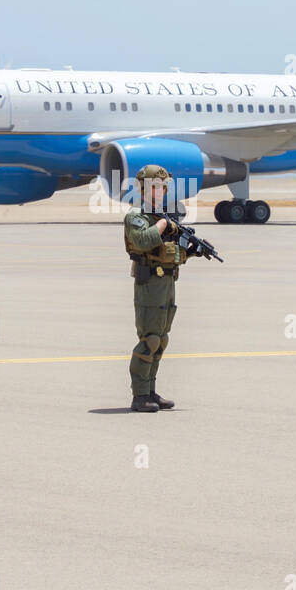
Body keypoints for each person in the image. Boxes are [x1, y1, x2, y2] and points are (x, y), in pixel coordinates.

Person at [123, 164, 186, 412]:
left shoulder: (163, 216)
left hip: (167, 285)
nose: (160, 191)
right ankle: (139, 396)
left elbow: (170, 252)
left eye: (163, 187)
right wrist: (163, 225)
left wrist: (189, 251)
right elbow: (143, 240)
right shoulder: (136, 216)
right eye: (156, 187)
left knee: (161, 340)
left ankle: (150, 391)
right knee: (148, 340)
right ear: (144, 188)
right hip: (149, 285)